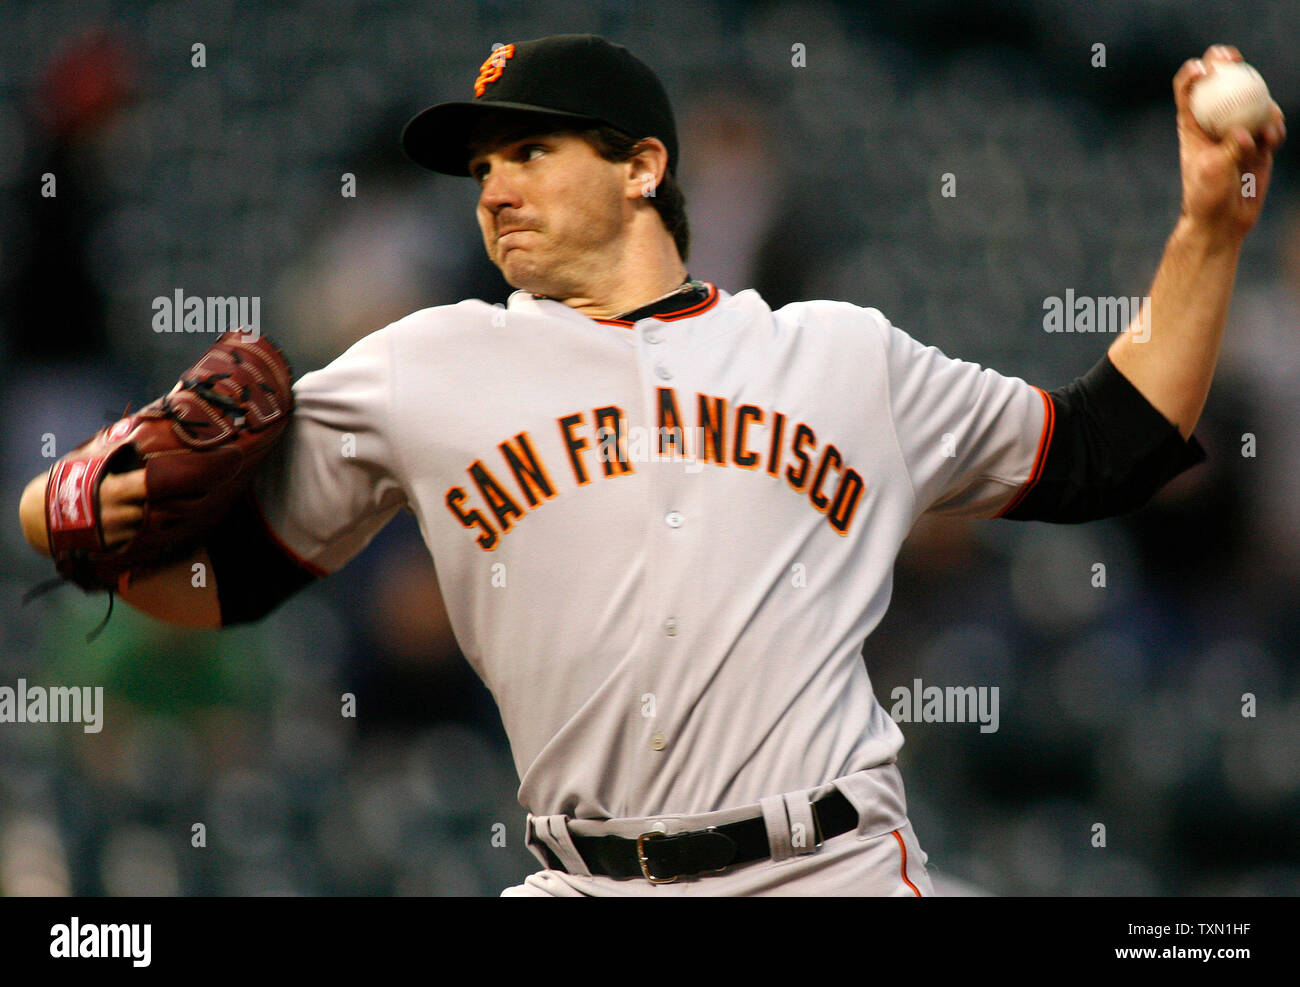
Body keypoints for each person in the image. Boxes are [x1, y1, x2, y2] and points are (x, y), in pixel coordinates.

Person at [18, 35, 1285, 895]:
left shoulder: (841, 357)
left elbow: (1109, 450)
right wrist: (68, 517)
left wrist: (1205, 231)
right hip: (583, 876)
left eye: (529, 151)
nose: (494, 186)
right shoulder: (420, 366)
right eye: (481, 166)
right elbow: (218, 584)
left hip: (824, 870)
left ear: (641, 168)